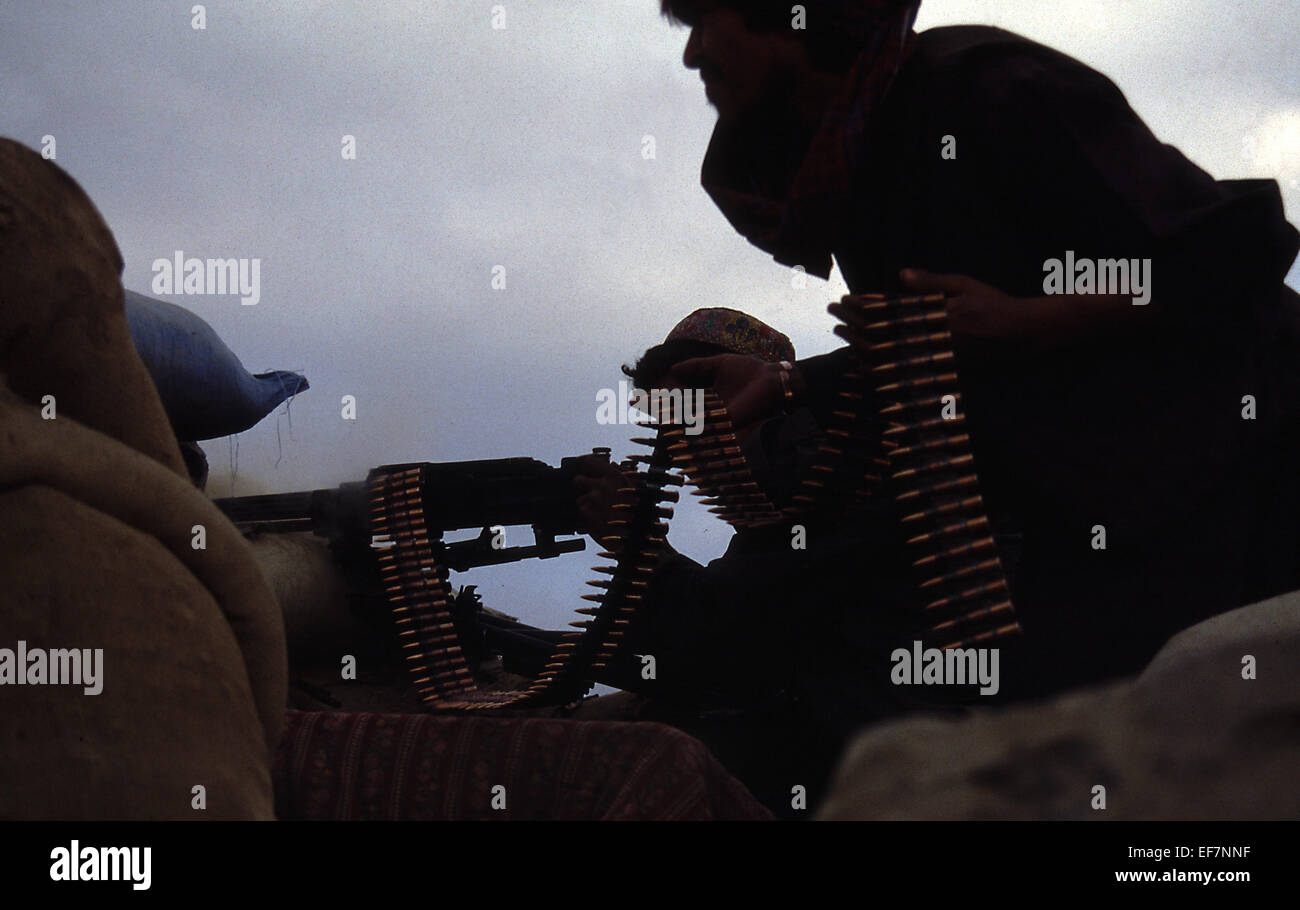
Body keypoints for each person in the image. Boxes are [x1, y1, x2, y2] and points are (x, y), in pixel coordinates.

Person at [652, 0, 1300, 701]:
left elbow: (1237, 250)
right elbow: (938, 338)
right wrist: (788, 383)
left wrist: (1028, 319)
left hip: (1247, 467)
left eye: (706, 19)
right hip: (1096, 513)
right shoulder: (851, 158)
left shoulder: (983, 88)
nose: (693, 56)